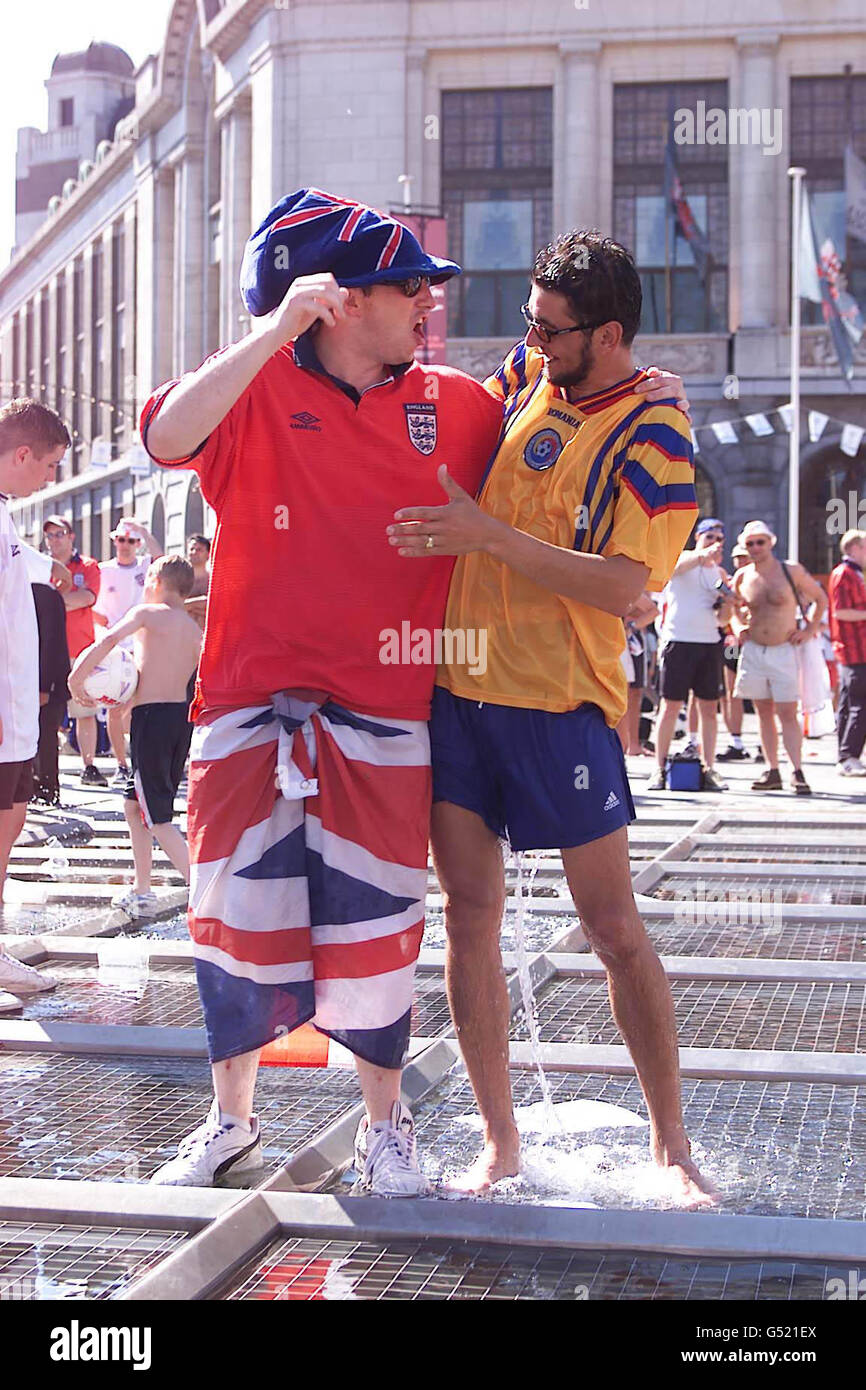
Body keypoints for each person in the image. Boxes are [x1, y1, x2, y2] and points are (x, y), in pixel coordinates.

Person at [137, 193, 688, 1196]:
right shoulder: (261, 385)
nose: (430, 304)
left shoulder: (468, 403)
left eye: (430, 287)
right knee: (235, 918)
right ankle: (239, 1120)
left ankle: (405, 1131)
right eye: (408, 287)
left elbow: (610, 531)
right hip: (284, 704)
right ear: (340, 303)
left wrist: (637, 385)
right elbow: (167, 436)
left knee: (390, 927)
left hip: (413, 711)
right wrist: (272, 326)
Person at [388, 231, 715, 1205]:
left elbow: (624, 587)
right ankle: (501, 1145)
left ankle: (671, 1147)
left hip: (560, 704)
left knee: (612, 927)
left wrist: (488, 535)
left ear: (606, 334)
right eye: (528, 320)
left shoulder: (658, 436)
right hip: (459, 689)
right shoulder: (532, 367)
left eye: (548, 326)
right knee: (468, 918)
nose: (526, 338)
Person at [69, 556, 202, 919]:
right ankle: (143, 889)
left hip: (153, 721)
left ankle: (205, 896)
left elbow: (109, 639)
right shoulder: (192, 630)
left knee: (157, 816)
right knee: (134, 805)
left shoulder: (147, 613)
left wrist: (76, 678)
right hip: (178, 721)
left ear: (156, 581)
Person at [0, 399, 70, 995]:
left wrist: (52, 569)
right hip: (2, 709)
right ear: (21, 454)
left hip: (17, 708)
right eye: (46, 465)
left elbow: (17, 567)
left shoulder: (6, 517)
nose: (48, 478)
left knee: (12, 818)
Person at [731, 520, 827, 795]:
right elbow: (735, 607)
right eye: (750, 543)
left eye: (760, 542)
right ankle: (772, 769)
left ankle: (797, 770)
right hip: (754, 651)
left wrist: (809, 629)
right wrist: (738, 627)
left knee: (787, 712)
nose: (755, 547)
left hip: (783, 649)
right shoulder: (742, 576)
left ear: (770, 542)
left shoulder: (790, 570)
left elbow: (820, 598)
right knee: (762, 712)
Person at [647, 518, 732, 792]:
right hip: (678, 641)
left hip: (708, 643)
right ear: (698, 537)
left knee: (709, 707)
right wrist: (701, 556)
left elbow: (722, 619)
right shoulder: (684, 558)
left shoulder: (718, 573)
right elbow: (672, 572)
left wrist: (729, 605)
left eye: (719, 539)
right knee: (670, 706)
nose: (714, 544)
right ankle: (659, 768)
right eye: (710, 538)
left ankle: (709, 767)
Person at [95, 518, 163, 787]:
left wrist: (144, 530)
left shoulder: (146, 567)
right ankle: (121, 765)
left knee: (139, 705)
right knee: (114, 705)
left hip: (141, 645)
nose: (125, 545)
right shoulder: (103, 570)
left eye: (131, 541)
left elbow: (161, 557)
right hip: (115, 646)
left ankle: (138, 761)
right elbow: (94, 607)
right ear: (114, 541)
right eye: (121, 540)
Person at [42, 514, 105, 786]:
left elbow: (88, 597)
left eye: (60, 534)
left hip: (79, 650)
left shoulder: (88, 566)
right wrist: (65, 602)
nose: (55, 540)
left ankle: (89, 765)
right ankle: (45, 766)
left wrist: (52, 602)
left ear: (71, 536)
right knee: (46, 708)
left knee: (84, 710)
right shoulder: (43, 567)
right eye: (50, 535)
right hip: (47, 649)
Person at [828, 529, 866, 776]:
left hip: (858, 649)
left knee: (849, 703)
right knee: (859, 704)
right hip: (854, 649)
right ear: (854, 548)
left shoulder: (855, 574)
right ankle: (849, 755)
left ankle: (845, 755)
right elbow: (841, 611)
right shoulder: (845, 574)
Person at [31, 580, 71, 806]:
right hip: (28, 677)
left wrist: (44, 686)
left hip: (45, 680)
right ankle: (35, 786)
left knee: (45, 735)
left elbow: (51, 642)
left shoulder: (45, 595)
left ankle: (47, 788)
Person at [717, 543, 753, 762]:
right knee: (731, 691)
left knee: (764, 695)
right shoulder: (728, 584)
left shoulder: (758, 580)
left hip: (756, 640)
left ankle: (761, 744)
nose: (741, 561)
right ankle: (735, 740)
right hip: (731, 641)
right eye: (737, 558)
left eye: (744, 557)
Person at [616, 592, 658, 755]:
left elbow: (652, 610)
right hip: (598, 642)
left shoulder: (625, 581)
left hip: (625, 643)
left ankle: (628, 746)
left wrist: (632, 625)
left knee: (628, 697)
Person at [184, 534, 211, 631]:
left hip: (209, 635)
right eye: (191, 549)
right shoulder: (180, 580)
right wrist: (202, 603)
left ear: (208, 555)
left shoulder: (212, 580)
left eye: (199, 549)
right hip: (185, 635)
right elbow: (174, 606)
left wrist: (188, 606)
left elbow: (214, 607)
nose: (194, 552)